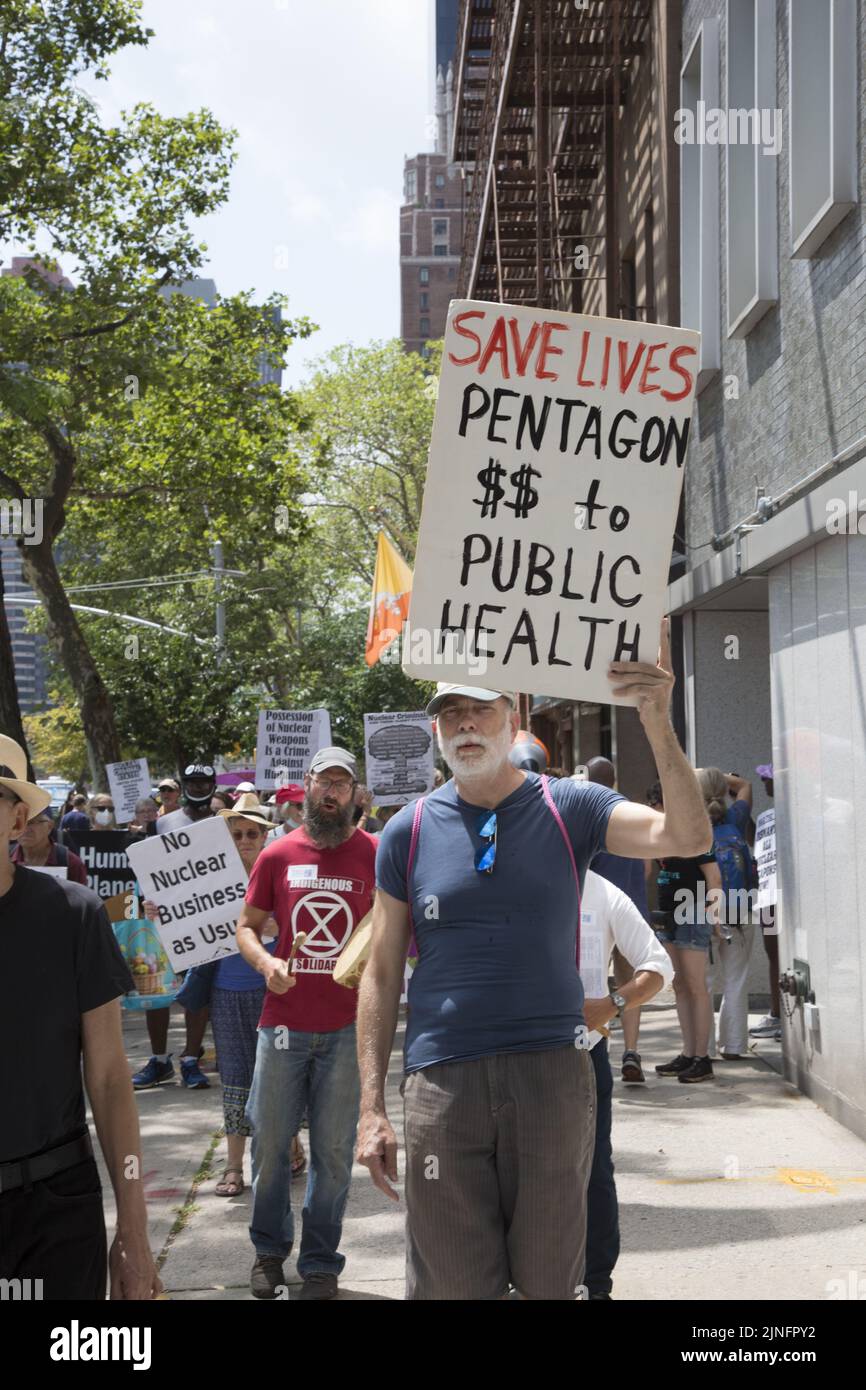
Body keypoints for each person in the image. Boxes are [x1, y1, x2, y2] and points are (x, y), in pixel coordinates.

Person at [357, 619, 713, 1301]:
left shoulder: (569, 806)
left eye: (479, 709)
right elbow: (379, 972)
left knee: (553, 1282)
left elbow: (686, 834)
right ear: (435, 731)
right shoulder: (404, 831)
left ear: (510, 718)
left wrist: (655, 718)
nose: (464, 724)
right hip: (441, 1085)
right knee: (452, 1287)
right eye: (449, 713)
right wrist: (371, 1105)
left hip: (552, 1075)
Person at [0, 736, 161, 1299]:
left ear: (19, 818)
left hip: (56, 1208)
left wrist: (134, 1232)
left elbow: (112, 1079)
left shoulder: (74, 915)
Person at [236, 747, 377, 1301]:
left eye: (342, 784)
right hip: (283, 1027)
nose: (332, 792)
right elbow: (246, 927)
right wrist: (266, 962)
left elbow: (395, 930)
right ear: (307, 787)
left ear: (354, 794)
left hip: (348, 1028)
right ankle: (269, 1254)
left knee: (335, 1153)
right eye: (324, 782)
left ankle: (321, 1262)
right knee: (269, 1145)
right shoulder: (276, 854)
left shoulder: (377, 853)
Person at [580, 868, 673, 1299]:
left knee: (594, 1170)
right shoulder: (513, 878)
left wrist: (612, 1003)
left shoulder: (602, 891)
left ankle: (596, 1285)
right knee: (516, 1172)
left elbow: (658, 966)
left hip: (584, 1054)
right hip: (517, 1053)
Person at [133, 763, 217, 1090]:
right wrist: (145, 900)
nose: (198, 788)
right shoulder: (163, 823)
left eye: (204, 782)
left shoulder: (221, 822)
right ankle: (158, 1059)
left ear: (211, 784)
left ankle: (190, 1059)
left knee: (197, 991)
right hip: (165, 919)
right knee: (157, 990)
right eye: (192, 783)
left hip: (207, 918)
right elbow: (147, 869)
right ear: (184, 786)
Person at [652, 778, 724, 1084]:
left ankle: (702, 1058)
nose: (653, 811)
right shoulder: (659, 832)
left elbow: (714, 878)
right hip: (668, 913)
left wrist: (715, 917)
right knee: (679, 984)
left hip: (693, 911)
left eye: (657, 806)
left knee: (696, 985)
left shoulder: (696, 832)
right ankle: (688, 1052)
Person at [586, 755, 651, 1084]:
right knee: (630, 983)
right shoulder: (631, 813)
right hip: (632, 909)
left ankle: (594, 1050)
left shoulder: (587, 815)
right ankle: (631, 1050)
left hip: (595, 916)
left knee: (594, 982)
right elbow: (648, 866)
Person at [697, 768, 756, 1061]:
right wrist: (720, 775)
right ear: (722, 792)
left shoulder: (692, 825)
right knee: (737, 978)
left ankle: (703, 1048)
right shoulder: (736, 820)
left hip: (699, 910)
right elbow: (745, 783)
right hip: (739, 910)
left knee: (702, 985)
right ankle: (733, 1045)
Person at [750, 763, 781, 1040]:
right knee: (773, 954)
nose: (764, 783)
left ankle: (784, 1015)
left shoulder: (796, 813)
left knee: (787, 955)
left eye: (767, 778)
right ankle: (776, 1013)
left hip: (788, 898)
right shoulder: (764, 817)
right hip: (767, 896)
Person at [10, 804, 88, 884]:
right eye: (19, 822)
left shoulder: (72, 863)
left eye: (32, 822)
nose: (24, 828)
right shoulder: (5, 859)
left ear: (50, 826)